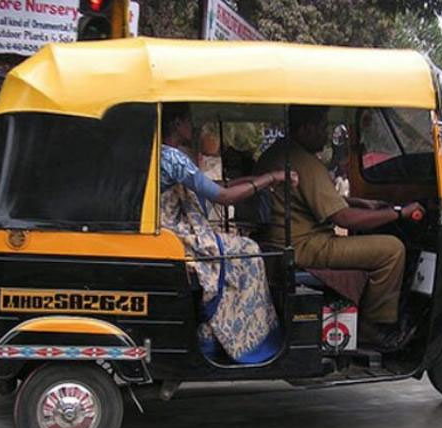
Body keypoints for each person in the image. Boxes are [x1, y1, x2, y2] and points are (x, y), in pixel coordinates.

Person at [255, 105, 424, 352]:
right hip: (306, 246)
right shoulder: (303, 162)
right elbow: (344, 219)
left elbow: (313, 202)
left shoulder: (277, 153)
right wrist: (398, 213)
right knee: (392, 249)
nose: (326, 135)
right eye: (323, 127)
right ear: (306, 129)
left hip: (281, 240)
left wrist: (361, 203)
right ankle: (372, 326)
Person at [159, 103, 296, 363]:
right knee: (248, 250)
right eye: (189, 121)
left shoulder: (160, 155)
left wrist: (266, 178)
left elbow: (215, 186)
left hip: (169, 234)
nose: (194, 128)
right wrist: (269, 179)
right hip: (180, 237)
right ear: (177, 123)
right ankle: (245, 339)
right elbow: (223, 197)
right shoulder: (172, 158)